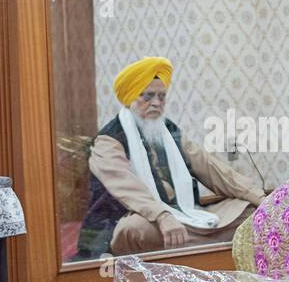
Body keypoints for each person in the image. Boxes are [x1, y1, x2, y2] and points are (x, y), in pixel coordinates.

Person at [73, 56, 265, 259]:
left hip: (181, 214)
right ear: (130, 98)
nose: (156, 103)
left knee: (249, 211)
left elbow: (210, 168)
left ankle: (183, 245)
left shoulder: (169, 132)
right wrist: (162, 216)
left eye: (161, 96)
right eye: (147, 96)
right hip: (137, 219)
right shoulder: (109, 140)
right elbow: (127, 187)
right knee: (134, 229)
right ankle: (193, 245)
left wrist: (259, 197)